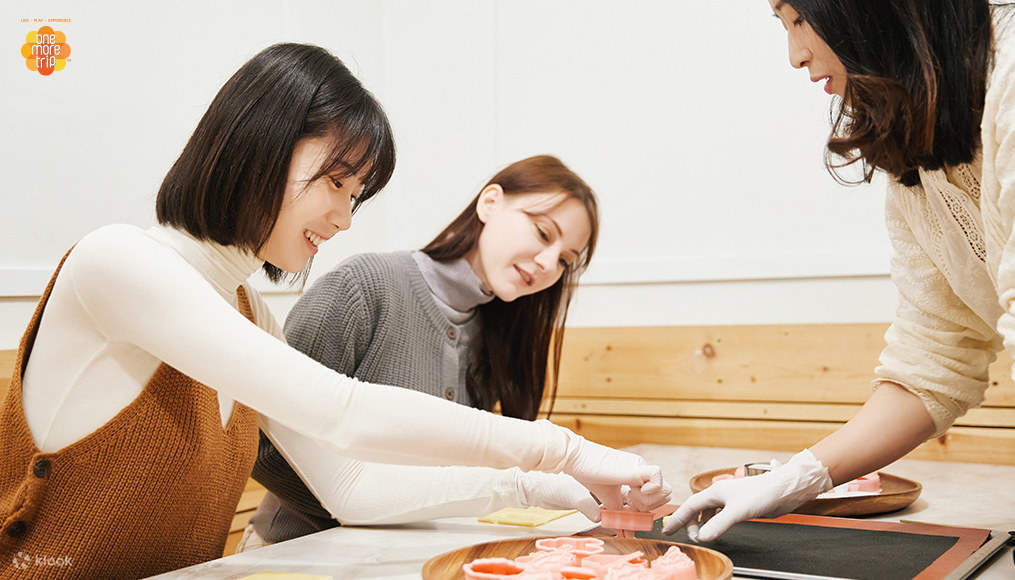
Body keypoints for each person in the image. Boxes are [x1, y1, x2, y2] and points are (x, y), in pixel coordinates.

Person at [0, 43, 667, 579]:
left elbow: (351, 488)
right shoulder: (115, 261)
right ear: (259, 141)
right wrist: (565, 452)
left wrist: (545, 492)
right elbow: (343, 413)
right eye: (338, 182)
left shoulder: (246, 309)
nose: (345, 217)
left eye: (358, 194)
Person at [665, 1, 1015, 564]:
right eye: (781, 26)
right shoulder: (917, 159)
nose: (795, 55)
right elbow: (933, 360)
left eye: (798, 18)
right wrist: (794, 479)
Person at [239, 155, 664, 549]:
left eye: (565, 260)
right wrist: (366, 507)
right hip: (294, 554)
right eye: (542, 232)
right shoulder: (366, 286)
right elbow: (265, 445)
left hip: (409, 556)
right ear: (490, 202)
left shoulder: (495, 332)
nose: (549, 262)